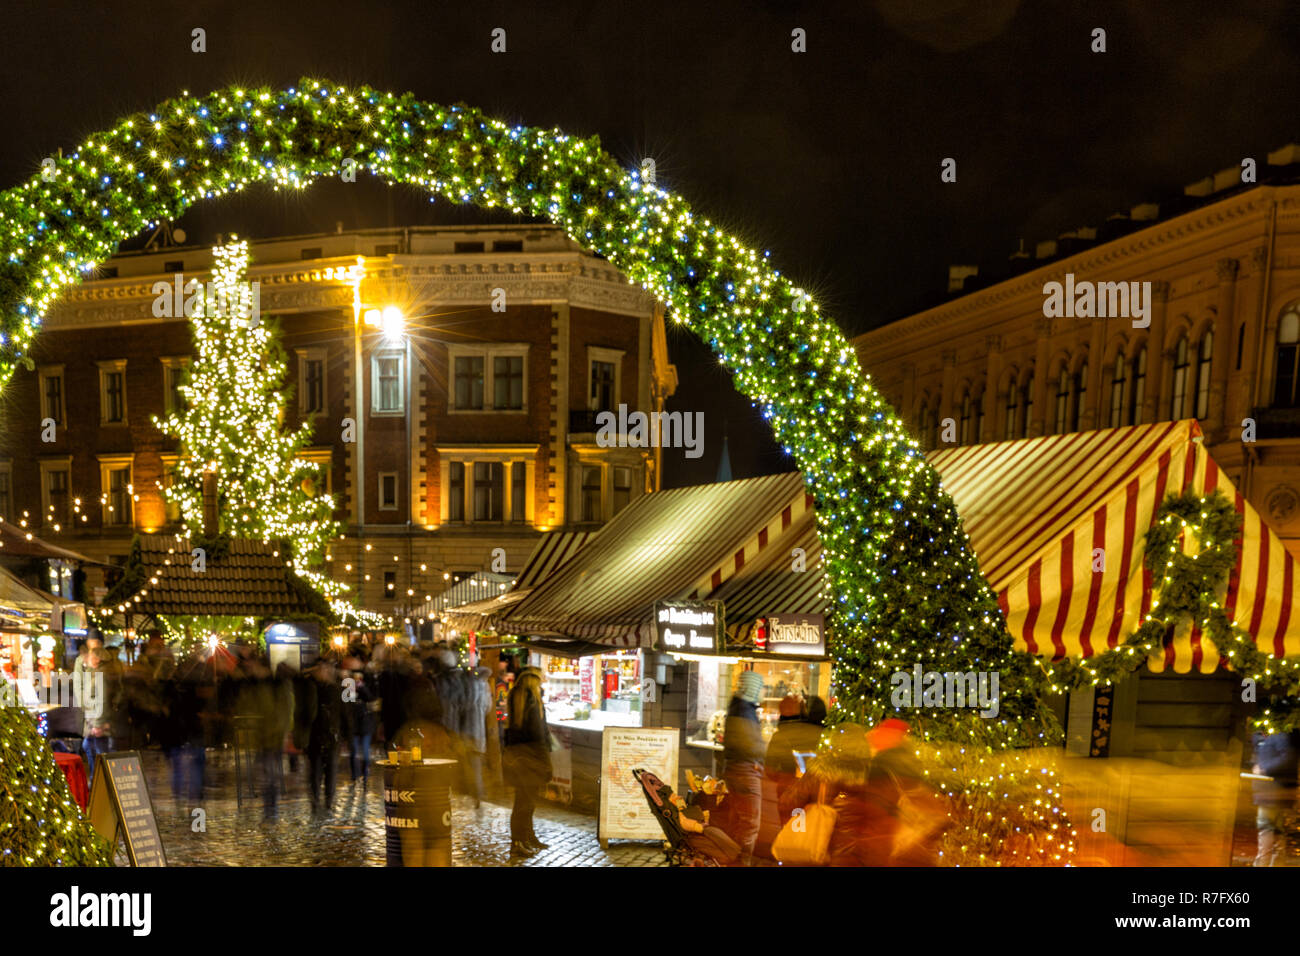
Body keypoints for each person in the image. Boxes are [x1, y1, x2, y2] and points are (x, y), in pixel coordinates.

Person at [759, 695, 826, 858]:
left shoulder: (780, 736)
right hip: (814, 794)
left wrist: (784, 779)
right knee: (810, 836)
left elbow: (770, 769)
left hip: (790, 794)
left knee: (792, 836)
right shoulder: (819, 734)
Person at [503, 666, 551, 857]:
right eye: (540, 681)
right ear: (534, 682)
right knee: (525, 802)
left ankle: (526, 837)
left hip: (517, 757)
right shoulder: (532, 702)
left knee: (524, 801)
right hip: (531, 758)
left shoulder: (517, 698)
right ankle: (519, 841)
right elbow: (538, 735)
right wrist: (546, 758)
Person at [722, 670, 766, 864]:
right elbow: (748, 745)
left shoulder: (738, 707)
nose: (763, 691)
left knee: (739, 820)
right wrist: (762, 754)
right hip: (746, 771)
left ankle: (731, 858)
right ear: (753, 687)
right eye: (761, 686)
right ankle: (742, 861)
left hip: (736, 770)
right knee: (750, 823)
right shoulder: (744, 711)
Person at [1251, 729, 1300, 866]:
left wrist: (1263, 769)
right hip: (1276, 795)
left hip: (1270, 795)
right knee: (1278, 831)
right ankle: (1275, 863)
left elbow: (1287, 760)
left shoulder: (1275, 740)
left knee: (1266, 829)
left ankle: (1263, 864)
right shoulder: (1275, 742)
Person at [305, 657, 343, 816]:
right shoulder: (310, 687)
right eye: (320, 668)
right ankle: (315, 803)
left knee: (331, 773)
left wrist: (347, 733)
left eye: (327, 668)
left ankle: (328, 802)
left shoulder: (340, 687)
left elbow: (348, 708)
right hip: (314, 735)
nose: (324, 672)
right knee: (315, 773)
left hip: (332, 735)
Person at [462, 664, 493, 807]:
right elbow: (488, 708)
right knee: (476, 765)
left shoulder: (469, 686)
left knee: (467, 764)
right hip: (479, 732)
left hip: (466, 731)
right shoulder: (485, 687)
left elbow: (463, 706)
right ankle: (478, 792)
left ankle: (472, 792)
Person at [343, 660, 378, 786]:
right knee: (353, 752)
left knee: (365, 752)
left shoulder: (367, 686)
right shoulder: (347, 686)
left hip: (365, 724)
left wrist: (362, 688)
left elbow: (371, 698)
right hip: (353, 725)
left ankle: (365, 774)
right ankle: (354, 775)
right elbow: (346, 703)